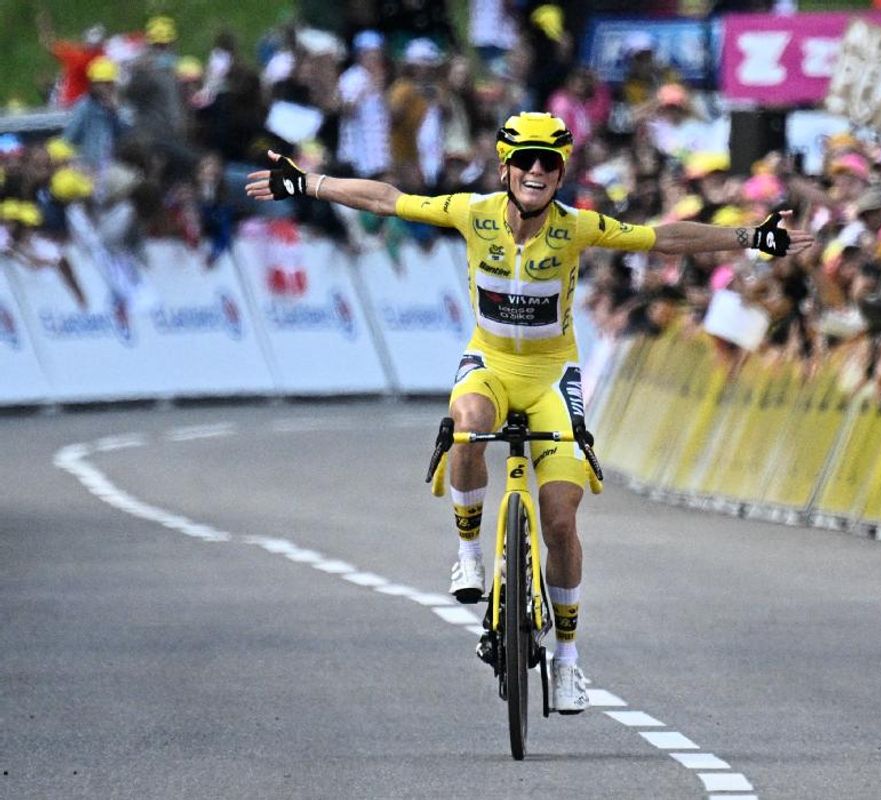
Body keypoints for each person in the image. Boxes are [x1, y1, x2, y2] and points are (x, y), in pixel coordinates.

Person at [246, 111, 813, 713]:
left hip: (551, 377)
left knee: (560, 519)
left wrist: (749, 238)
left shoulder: (577, 227)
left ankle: (567, 660)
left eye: (549, 161)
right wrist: (307, 183)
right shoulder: (474, 212)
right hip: (490, 364)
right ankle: (467, 555)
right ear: (505, 167)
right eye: (525, 159)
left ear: (562, 171)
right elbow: (390, 200)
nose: (536, 169)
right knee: (466, 426)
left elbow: (662, 236)